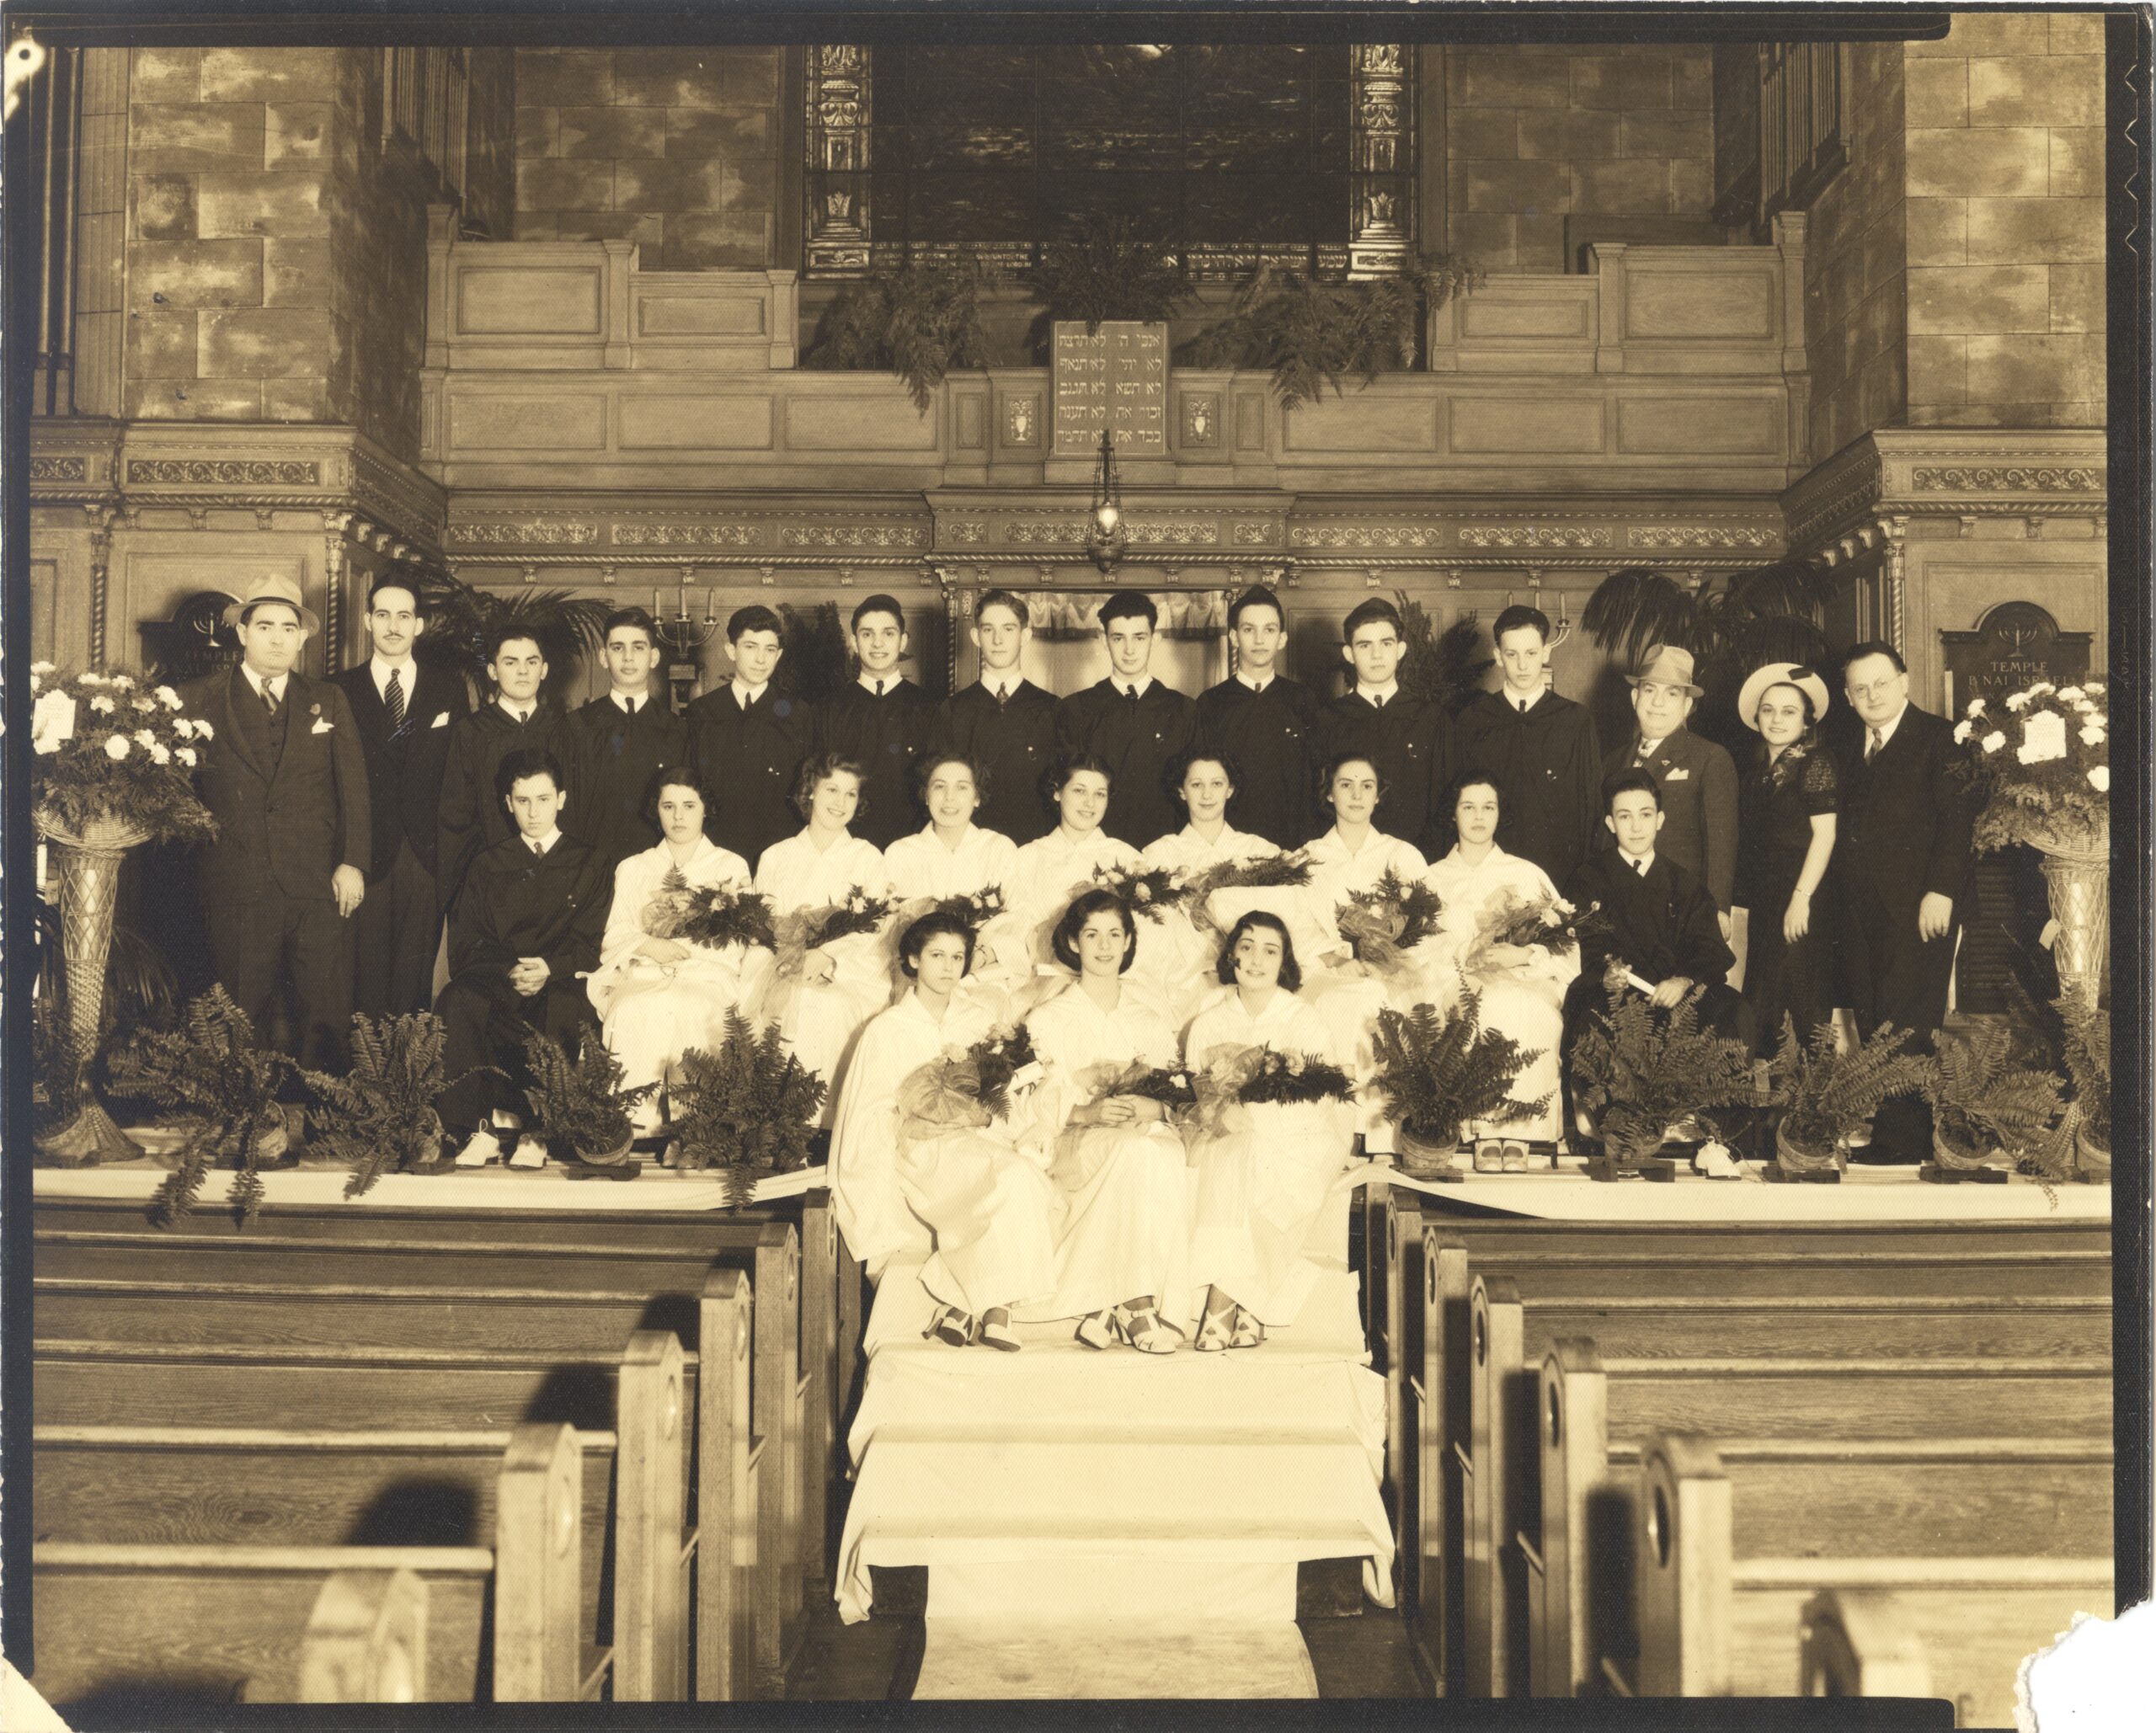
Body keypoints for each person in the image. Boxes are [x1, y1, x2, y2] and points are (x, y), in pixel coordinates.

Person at [830, 911, 1059, 1352]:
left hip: (979, 1138)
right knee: (1011, 1177)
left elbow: (1003, 1093)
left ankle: (968, 1307)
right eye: (936, 955)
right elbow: (868, 1114)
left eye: (957, 957)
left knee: (1022, 1177)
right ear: (914, 959)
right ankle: (992, 1308)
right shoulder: (887, 1030)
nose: (948, 967)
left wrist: (993, 1115)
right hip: (923, 1149)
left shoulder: (978, 1020)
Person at [180, 573, 371, 1070]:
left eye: (289, 628)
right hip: (236, 881)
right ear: (243, 632)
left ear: (302, 637)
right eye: (265, 626)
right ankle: (245, 1108)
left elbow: (354, 790)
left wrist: (352, 863)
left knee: (324, 1010)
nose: (278, 638)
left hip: (317, 882)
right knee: (240, 1009)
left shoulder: (329, 699)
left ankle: (322, 1109)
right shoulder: (197, 699)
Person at [1024, 891, 1193, 1352]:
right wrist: (1085, 1111)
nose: (1104, 946)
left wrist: (1154, 1108)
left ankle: (1111, 1301)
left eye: (1115, 935)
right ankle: (1137, 1303)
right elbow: (1031, 1099)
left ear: (1129, 941)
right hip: (1074, 1140)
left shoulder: (1149, 1018)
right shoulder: (1048, 1017)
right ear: (1073, 943)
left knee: (1162, 1152)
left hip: (1144, 1132)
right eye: (1092, 935)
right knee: (1135, 1152)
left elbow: (1178, 1093)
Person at [1833, 641, 1977, 1161]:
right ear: (1848, 697)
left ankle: (1904, 1139)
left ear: (1905, 682)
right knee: (1874, 1018)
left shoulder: (1942, 739)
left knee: (1911, 1021)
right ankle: (1890, 1132)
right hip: (1861, 909)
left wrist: (1942, 891)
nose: (1872, 695)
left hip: (1921, 908)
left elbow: (1959, 824)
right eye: (1860, 688)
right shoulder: (1848, 747)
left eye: (1881, 683)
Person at [1184, 911, 1353, 1348]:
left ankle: (1221, 1302)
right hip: (1225, 1136)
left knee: (1251, 1156)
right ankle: (1249, 1304)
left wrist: (1254, 1120)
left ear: (1284, 962)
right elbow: (1193, 1098)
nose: (1257, 960)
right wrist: (1222, 1116)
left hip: (1300, 1138)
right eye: (1247, 947)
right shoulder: (1208, 1023)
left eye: (1270, 951)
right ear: (1231, 956)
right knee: (1230, 1156)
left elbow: (1320, 1102)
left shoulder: (1303, 1019)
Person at [435, 749, 609, 1167]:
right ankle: (478, 1131)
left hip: (560, 978)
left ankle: (538, 1132)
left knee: (564, 1003)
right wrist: (509, 970)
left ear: (561, 799)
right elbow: (467, 943)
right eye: (523, 801)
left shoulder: (590, 862)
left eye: (543, 799)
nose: (533, 813)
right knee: (459, 999)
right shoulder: (487, 864)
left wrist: (550, 968)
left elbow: (595, 941)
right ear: (508, 803)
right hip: (502, 979)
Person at [586, 766, 771, 1133]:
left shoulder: (729, 865)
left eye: (689, 806)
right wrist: (649, 945)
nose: (678, 817)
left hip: (705, 974)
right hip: (645, 970)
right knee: (632, 1008)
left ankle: (694, 1132)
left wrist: (687, 953)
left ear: (705, 809)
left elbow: (739, 936)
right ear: (655, 810)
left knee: (695, 1008)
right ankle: (631, 1127)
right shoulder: (634, 867)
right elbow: (616, 931)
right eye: (668, 806)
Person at [330, 574, 467, 1017]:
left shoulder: (448, 688)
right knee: (363, 981)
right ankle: (365, 1064)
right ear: (367, 621)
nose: (394, 626)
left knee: (416, 983)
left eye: (404, 616)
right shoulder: (339, 689)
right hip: (363, 856)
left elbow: (458, 775)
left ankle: (408, 1064)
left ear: (419, 625)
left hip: (426, 856)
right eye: (384, 615)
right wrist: (346, 858)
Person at [1425, 774, 1577, 1146]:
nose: (1479, 816)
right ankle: (1486, 1133)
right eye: (1469, 807)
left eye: (1488, 807)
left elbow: (1568, 950)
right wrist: (1465, 957)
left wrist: (1524, 954)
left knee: (1531, 1008)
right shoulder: (1432, 877)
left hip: (1525, 978)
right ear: (1453, 814)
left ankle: (1524, 1133)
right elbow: (1417, 952)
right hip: (1459, 981)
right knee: (1486, 1004)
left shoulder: (1526, 873)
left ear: (1499, 814)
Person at [1299, 754, 1433, 1146]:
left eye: (1367, 786)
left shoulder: (1402, 855)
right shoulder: (1309, 857)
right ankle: (1338, 1131)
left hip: (1394, 973)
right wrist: (1335, 959)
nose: (1356, 795)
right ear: (1329, 794)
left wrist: (1387, 960)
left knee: (1378, 999)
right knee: (1344, 1000)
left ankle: (1379, 1134)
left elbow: (1428, 924)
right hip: (1329, 971)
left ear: (1378, 796)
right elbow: (1296, 925)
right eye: (1346, 785)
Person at [752, 753, 894, 1118]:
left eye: (851, 794)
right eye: (832, 789)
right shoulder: (776, 856)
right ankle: (773, 1122)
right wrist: (792, 959)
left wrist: (829, 957)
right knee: (778, 1006)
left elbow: (877, 929)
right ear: (811, 791)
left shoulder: (867, 857)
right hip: (782, 967)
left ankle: (823, 1123)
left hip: (850, 972)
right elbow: (763, 925)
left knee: (825, 1007)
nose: (840, 802)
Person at [1565, 770, 1740, 1042]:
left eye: (1645, 815)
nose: (1636, 827)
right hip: (1615, 994)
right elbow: (1583, 946)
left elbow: (1709, 947)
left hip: (1677, 993)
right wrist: (1605, 974)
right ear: (1611, 823)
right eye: (1625, 816)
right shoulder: (1588, 879)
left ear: (1659, 820)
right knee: (1591, 1018)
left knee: (1734, 1011)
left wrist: (1683, 980)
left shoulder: (1684, 883)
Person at [1451, 604, 1603, 889]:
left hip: (1559, 875)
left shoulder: (1575, 721)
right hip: (1489, 876)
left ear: (1546, 652)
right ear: (1498, 656)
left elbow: (1591, 810)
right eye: (1512, 654)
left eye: (1531, 653)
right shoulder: (1473, 720)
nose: (1522, 665)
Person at [1139, 749, 1293, 1028]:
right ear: (1182, 791)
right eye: (1196, 784)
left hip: (1254, 968)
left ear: (1230, 789)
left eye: (1217, 784)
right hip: (1184, 973)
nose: (1207, 794)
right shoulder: (1159, 854)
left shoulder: (1258, 850)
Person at [1733, 663, 1840, 1058]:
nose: (1777, 719)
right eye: (1768, 710)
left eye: (1789, 711)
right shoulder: (1756, 775)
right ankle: (1766, 1092)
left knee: (1806, 1003)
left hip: (1803, 897)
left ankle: (1817, 1094)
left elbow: (1825, 835)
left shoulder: (1816, 764)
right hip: (1766, 899)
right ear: (1756, 717)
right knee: (1763, 1001)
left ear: (1806, 721)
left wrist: (1801, 899)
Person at [436, 626, 575, 920]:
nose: (523, 671)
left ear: (544, 670)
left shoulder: (563, 729)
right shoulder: (471, 732)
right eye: (511, 662)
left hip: (554, 883)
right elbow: (456, 822)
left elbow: (573, 812)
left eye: (531, 662)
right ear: (492, 671)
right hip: (490, 886)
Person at [1598, 643, 1738, 934]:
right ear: (1635, 697)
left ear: (1687, 706)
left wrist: (1718, 908)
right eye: (1650, 690)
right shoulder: (1613, 761)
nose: (1658, 703)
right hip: (1619, 909)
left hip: (1681, 910)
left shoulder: (1709, 757)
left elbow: (1721, 841)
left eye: (1671, 693)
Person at [883, 750, 1023, 1019]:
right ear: (926, 795)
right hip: (919, 976)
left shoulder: (998, 848)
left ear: (977, 797)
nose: (949, 798)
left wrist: (980, 956)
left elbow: (1017, 918)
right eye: (939, 787)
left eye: (962, 787)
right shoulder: (900, 853)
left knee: (982, 1014)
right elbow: (890, 927)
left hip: (983, 974)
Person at [1054, 589, 1197, 849]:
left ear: (1155, 639)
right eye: (1118, 638)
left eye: (1139, 637)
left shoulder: (1184, 710)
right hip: (1095, 854)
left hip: (1168, 854)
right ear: (1103, 640)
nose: (1129, 649)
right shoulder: (1076, 709)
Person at [684, 605, 816, 872]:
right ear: (731, 650)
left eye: (770, 649)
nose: (761, 659)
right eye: (750, 647)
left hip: (781, 852)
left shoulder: (798, 714)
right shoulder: (703, 712)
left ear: (779, 655)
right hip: (715, 852)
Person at [1004, 754, 1142, 1005]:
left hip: (1115, 981)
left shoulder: (1127, 858)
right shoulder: (1028, 857)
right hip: (1045, 980)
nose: (1090, 803)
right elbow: (1016, 929)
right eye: (1079, 791)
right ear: (1057, 792)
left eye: (1100, 794)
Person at [1321, 597, 1452, 857]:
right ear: (1349, 654)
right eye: (1365, 645)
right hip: (1346, 861)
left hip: (1418, 861)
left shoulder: (1431, 719)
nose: (1377, 655)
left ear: (1401, 649)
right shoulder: (1328, 720)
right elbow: (1319, 804)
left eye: (1386, 643)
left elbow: (1445, 803)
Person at [1195, 584, 1323, 848]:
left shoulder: (1302, 700)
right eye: (1248, 629)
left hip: (1292, 845)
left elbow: (1315, 782)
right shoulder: (1211, 702)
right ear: (1234, 637)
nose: (1259, 640)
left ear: (1282, 639)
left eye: (1269, 630)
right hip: (1228, 847)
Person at [567, 606, 688, 879]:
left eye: (638, 647)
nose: (628, 657)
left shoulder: (676, 729)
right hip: (593, 871)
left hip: (661, 874)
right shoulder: (578, 726)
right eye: (618, 648)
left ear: (654, 657)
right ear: (603, 657)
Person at [937, 587, 1059, 845]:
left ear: (1025, 636)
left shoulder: (1051, 708)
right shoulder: (954, 709)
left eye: (1008, 629)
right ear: (976, 636)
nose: (998, 640)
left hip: (1036, 847)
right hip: (971, 849)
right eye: (988, 629)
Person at [816, 594, 938, 851]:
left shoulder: (930, 707)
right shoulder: (829, 708)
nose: (878, 643)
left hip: (914, 846)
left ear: (903, 641)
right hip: (845, 847)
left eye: (888, 633)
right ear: (854, 642)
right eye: (867, 634)